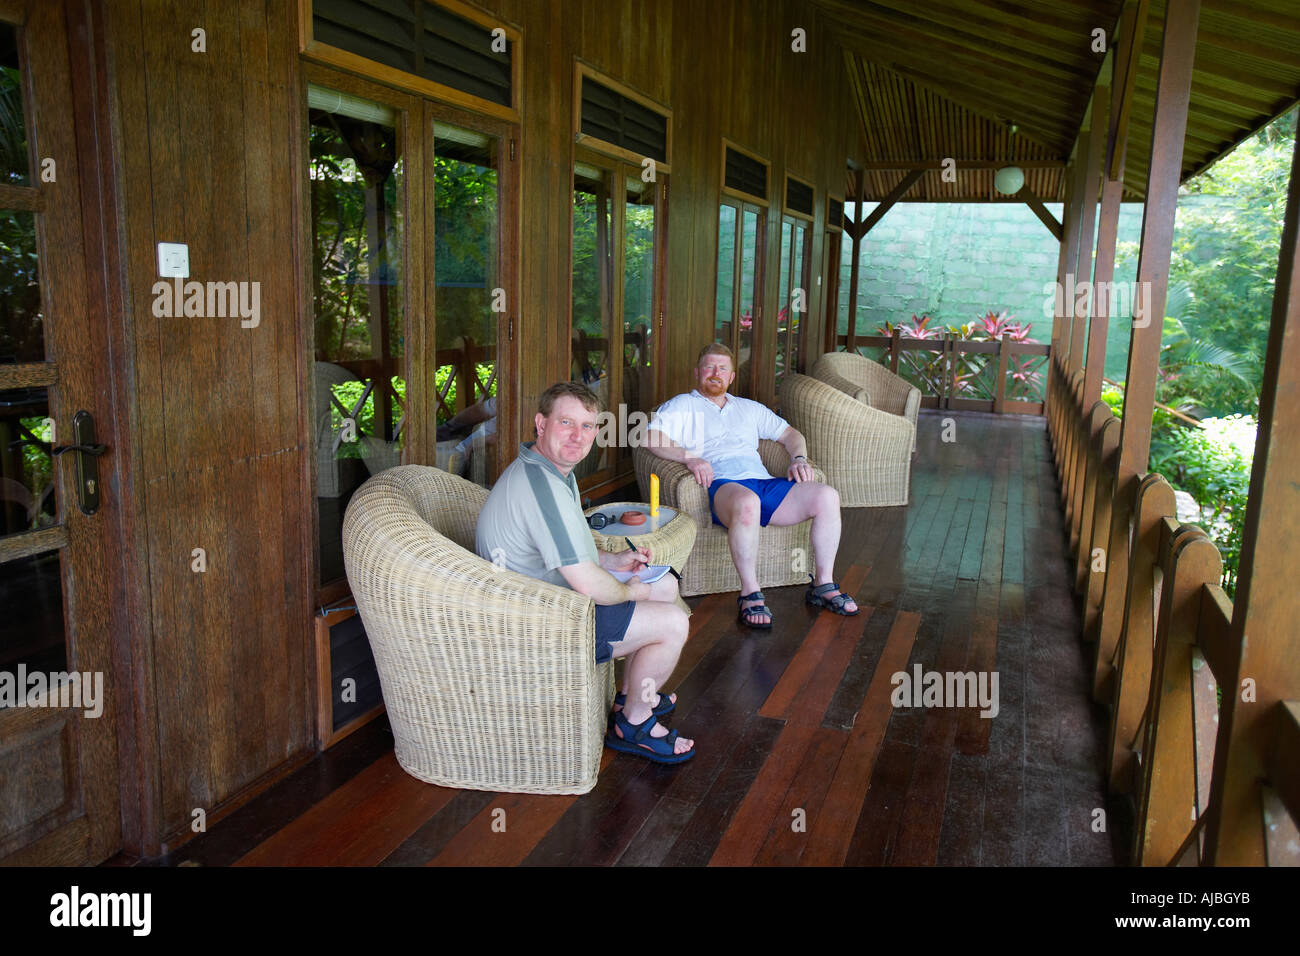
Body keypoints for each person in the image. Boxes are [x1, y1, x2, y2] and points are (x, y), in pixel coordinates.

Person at [475, 381, 695, 764]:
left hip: (554, 597)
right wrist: (630, 592)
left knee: (664, 583)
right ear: (541, 424)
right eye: (566, 423)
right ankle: (634, 727)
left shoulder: (552, 471)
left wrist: (615, 562)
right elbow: (585, 581)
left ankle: (630, 698)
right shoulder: (541, 486)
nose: (578, 437)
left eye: (588, 426)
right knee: (673, 622)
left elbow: (569, 550)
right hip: (542, 623)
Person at [642, 343, 859, 629]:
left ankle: (823, 584)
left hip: (764, 482)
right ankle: (749, 593)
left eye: (722, 368)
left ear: (731, 377)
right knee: (748, 502)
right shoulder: (683, 405)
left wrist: (799, 458)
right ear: (697, 372)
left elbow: (791, 434)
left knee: (827, 496)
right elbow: (649, 438)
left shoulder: (749, 408)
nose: (715, 373)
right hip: (723, 485)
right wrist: (689, 458)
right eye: (709, 367)